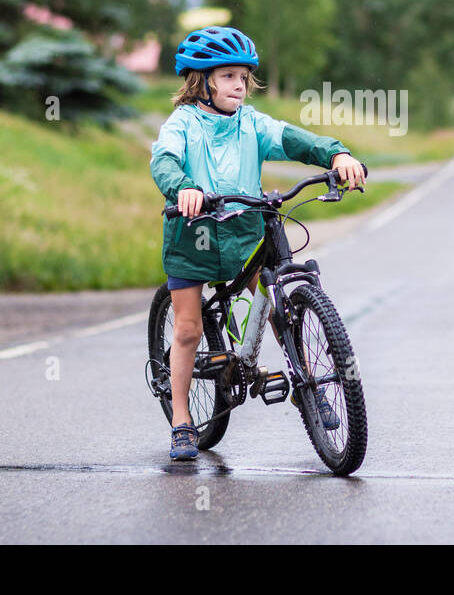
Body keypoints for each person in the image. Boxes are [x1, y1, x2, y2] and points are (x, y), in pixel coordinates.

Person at [149, 25, 366, 460]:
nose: (240, 85)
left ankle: (305, 382)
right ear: (203, 79)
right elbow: (164, 160)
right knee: (189, 330)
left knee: (276, 304)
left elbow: (292, 139)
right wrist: (183, 187)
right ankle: (180, 419)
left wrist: (336, 154)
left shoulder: (251, 123)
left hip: (246, 232)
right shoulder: (185, 123)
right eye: (229, 76)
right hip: (195, 237)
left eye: (244, 77)